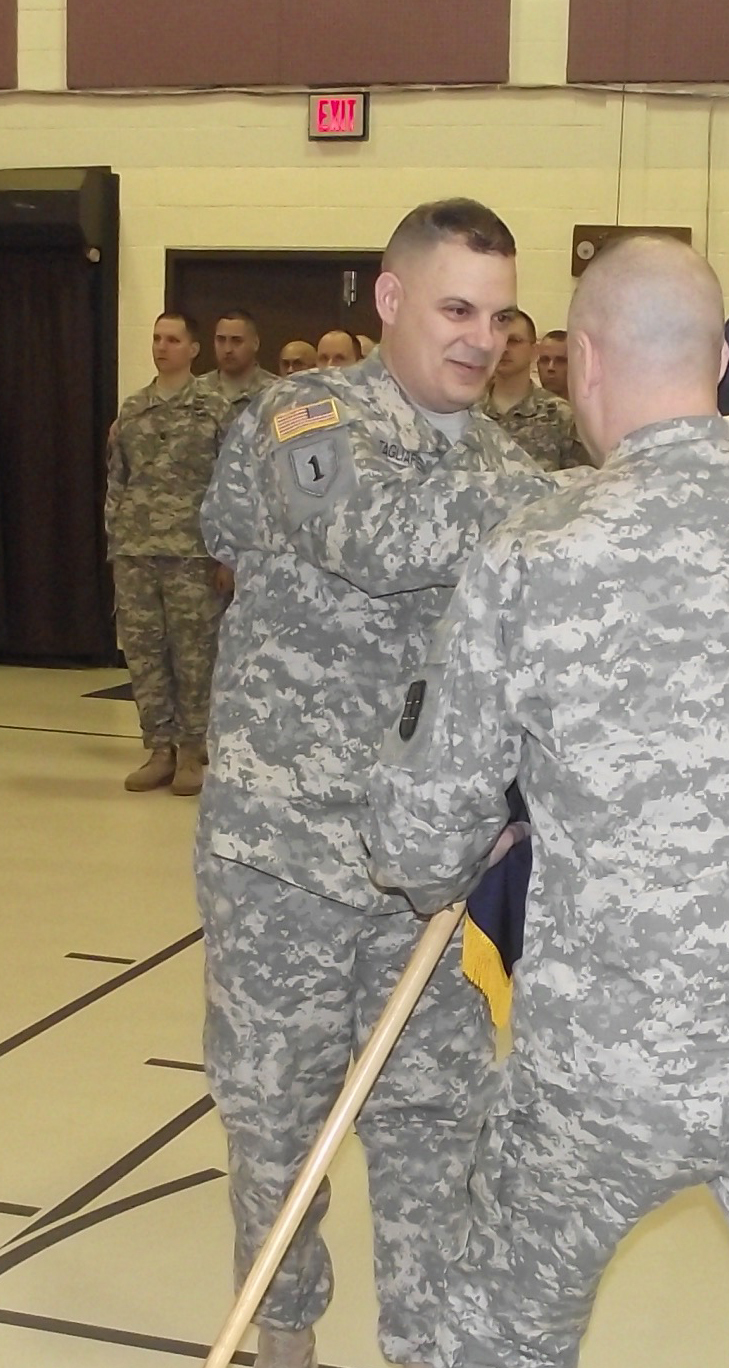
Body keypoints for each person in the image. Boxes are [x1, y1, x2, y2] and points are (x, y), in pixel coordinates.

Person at [367, 233, 729, 1368]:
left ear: (581, 361)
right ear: (724, 353)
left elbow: (429, 839)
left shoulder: (532, 550)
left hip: (604, 1069)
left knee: (490, 1337)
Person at [197, 198, 558, 1368]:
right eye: (456, 308)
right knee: (274, 1123)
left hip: (434, 879)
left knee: (433, 1129)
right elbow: (376, 537)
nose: (481, 339)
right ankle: (284, 1334)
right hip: (286, 863)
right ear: (390, 299)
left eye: (500, 316)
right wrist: (568, 500)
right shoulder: (306, 415)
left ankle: (426, 1347)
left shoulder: (508, 463)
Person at [106, 312, 231, 796]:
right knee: (145, 654)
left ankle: (191, 751)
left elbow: (230, 486)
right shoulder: (133, 409)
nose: (162, 347)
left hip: (192, 553)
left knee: (195, 655)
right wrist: (115, 539)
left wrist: (227, 554)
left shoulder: (215, 408)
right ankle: (158, 747)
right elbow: (118, 480)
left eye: (173, 339)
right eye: (157, 338)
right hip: (137, 550)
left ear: (194, 349)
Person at [482, 311, 589, 470]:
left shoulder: (560, 416)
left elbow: (578, 486)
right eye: (497, 339)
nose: (504, 348)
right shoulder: (466, 411)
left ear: (534, 351)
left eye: (514, 341)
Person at [196, 309, 277, 413]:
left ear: (255, 343)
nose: (228, 349)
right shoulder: (195, 391)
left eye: (237, 341)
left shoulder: (276, 392)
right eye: (221, 340)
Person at [535, 328, 569, 399]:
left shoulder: (593, 408)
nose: (550, 368)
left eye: (560, 361)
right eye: (544, 360)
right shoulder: (525, 408)